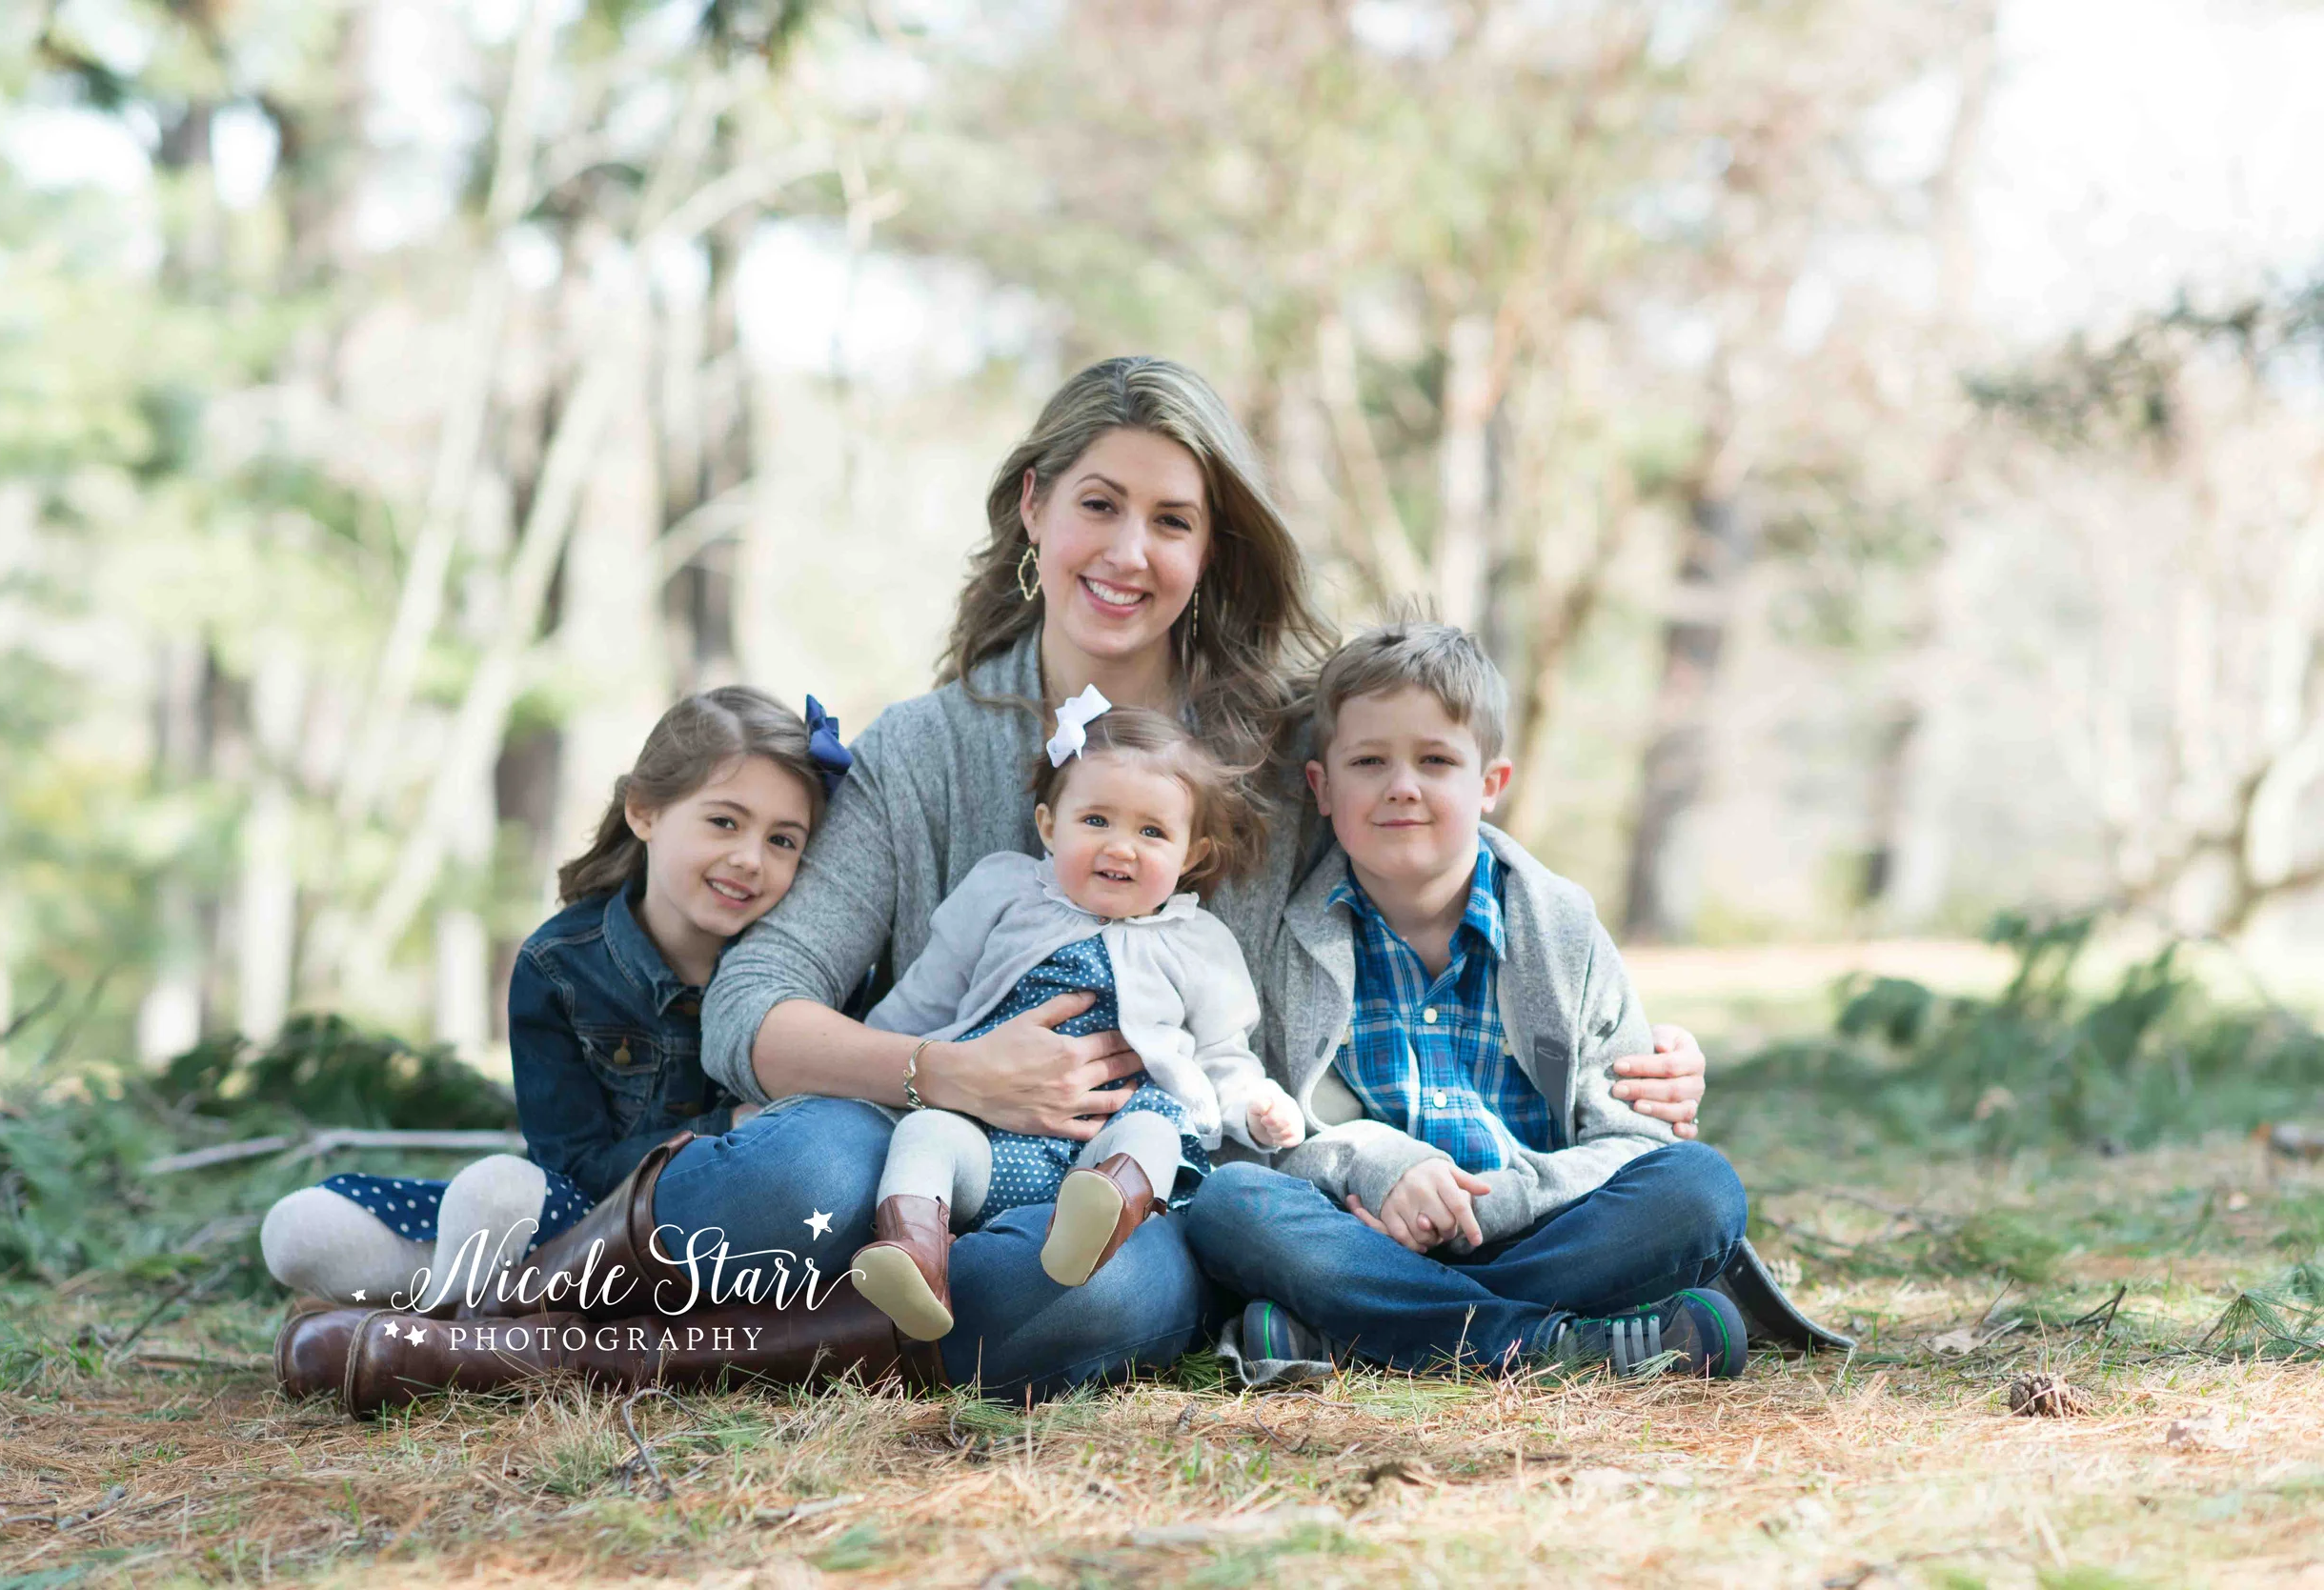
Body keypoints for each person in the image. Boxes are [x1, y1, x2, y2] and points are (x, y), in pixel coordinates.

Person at [635, 355, 1709, 1402]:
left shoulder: (1279, 749)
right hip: (926, 1145)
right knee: (801, 1179)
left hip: (1159, 1181)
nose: (1128, 551)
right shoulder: (925, 748)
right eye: (1098, 505)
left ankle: (802, 1327)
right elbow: (750, 1003)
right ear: (1033, 508)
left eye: (1173, 520)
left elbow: (1440, 840)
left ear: (1210, 546)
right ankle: (611, 1298)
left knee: (1068, 1303)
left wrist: (1624, 1043)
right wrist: (944, 1070)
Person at [1184, 622, 1753, 1379]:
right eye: (1369, 761)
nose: (1402, 786)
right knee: (1230, 1203)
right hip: (1366, 1237)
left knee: (1700, 1186)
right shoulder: (1291, 943)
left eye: (1435, 760)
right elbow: (1270, 1130)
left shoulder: (1561, 929)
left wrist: (1495, 1207)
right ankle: (1557, 1344)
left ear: (1490, 783)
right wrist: (1380, 1168)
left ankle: (1358, 1333)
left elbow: (1634, 1136)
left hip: (1549, 1230)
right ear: (1321, 787)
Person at [259, 687, 844, 1315]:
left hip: (711, 1234)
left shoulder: (811, 967)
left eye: (783, 840)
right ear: (644, 811)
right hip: (569, 1215)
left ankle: (453, 1319)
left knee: (494, 1196)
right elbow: (573, 1165)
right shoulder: (559, 965)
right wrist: (724, 1129)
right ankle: (482, 1284)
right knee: (303, 1226)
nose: (750, 859)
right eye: (724, 821)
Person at [848, 699, 1304, 1342]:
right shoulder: (1003, 894)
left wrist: (1256, 1104)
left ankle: (1100, 1215)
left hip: (1107, 1134)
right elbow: (923, 1004)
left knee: (1153, 1129)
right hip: (986, 1130)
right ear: (1048, 823)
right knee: (925, 1132)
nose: (1121, 846)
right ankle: (915, 1252)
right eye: (1096, 819)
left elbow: (1224, 1056)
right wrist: (877, 1068)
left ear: (1192, 852)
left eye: (1152, 832)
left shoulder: (1198, 943)